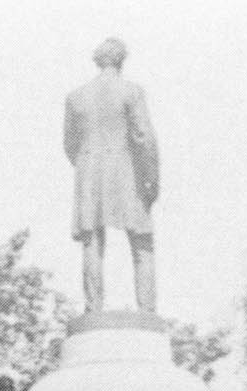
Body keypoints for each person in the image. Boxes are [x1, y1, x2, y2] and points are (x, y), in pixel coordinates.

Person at [62, 37, 160, 315]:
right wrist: (151, 179)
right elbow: (144, 137)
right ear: (122, 60)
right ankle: (148, 311)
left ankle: (93, 308)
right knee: (142, 241)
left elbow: (70, 144)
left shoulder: (76, 96)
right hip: (126, 170)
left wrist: (87, 166)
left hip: (89, 172)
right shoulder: (131, 91)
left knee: (91, 240)